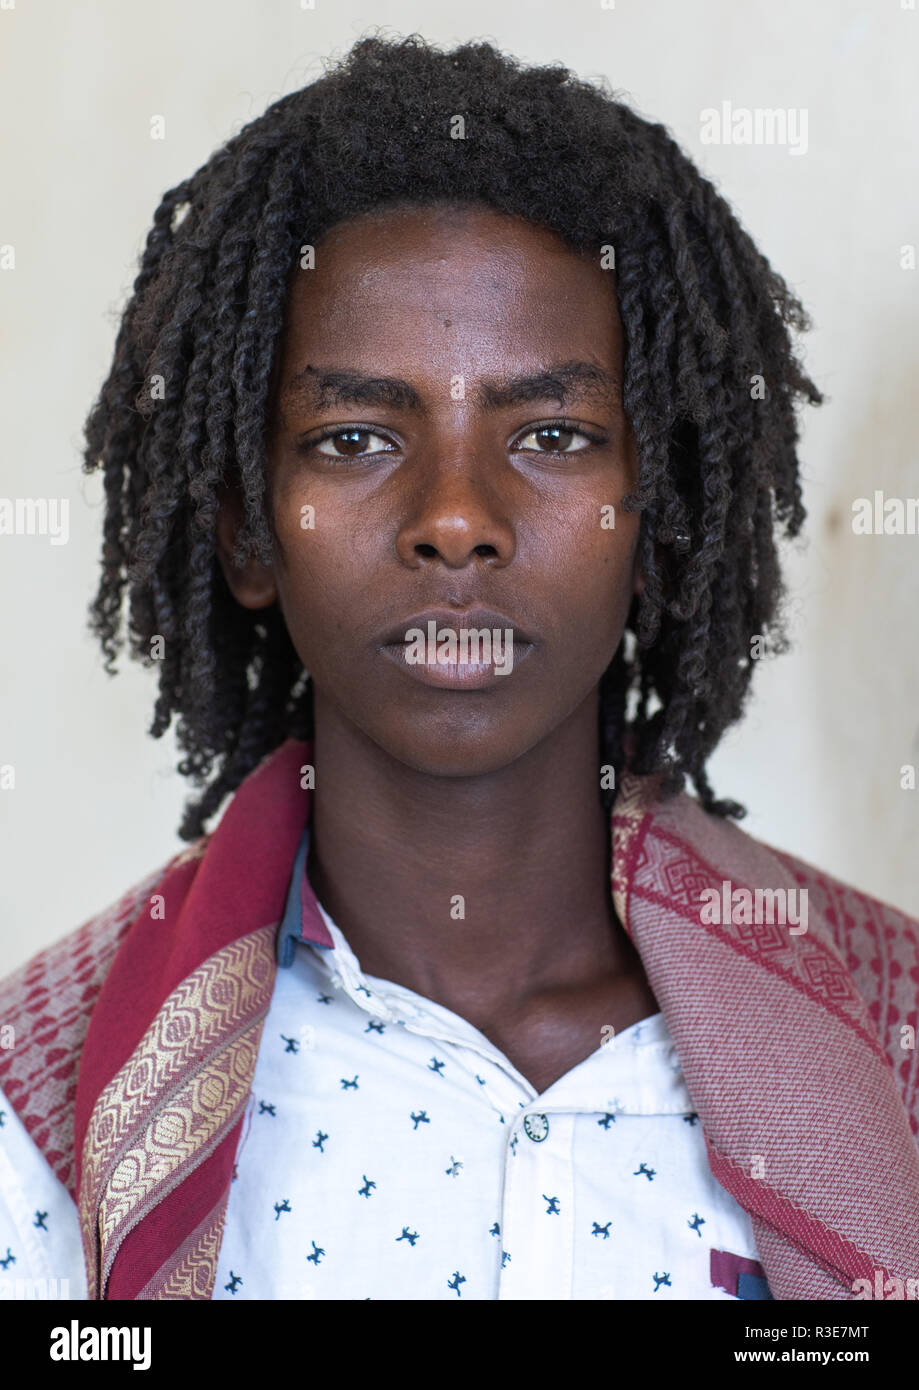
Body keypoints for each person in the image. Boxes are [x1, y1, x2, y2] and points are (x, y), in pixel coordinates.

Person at [1, 33, 917, 1303]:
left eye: (551, 432)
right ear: (247, 530)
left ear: (659, 520)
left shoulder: (894, 1034)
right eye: (357, 435)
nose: (455, 517)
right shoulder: (39, 1107)